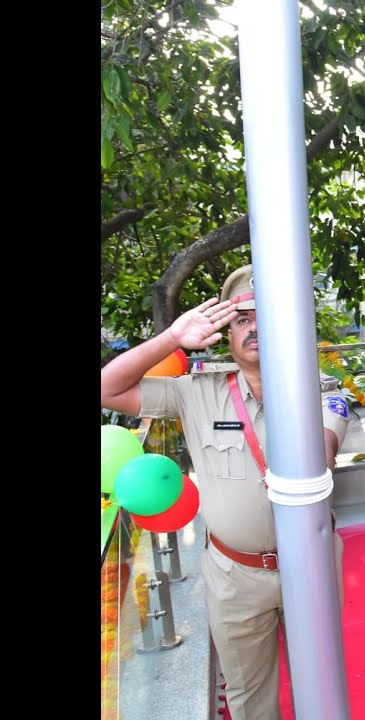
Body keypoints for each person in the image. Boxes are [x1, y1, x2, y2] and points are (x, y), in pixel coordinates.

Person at [100, 265, 350, 720]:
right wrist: (173, 338)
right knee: (249, 697)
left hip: (309, 563)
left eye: (266, 316)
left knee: (323, 687)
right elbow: (106, 388)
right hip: (235, 575)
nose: (254, 327)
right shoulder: (196, 393)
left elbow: (324, 450)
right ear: (226, 332)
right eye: (241, 319)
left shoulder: (323, 389)